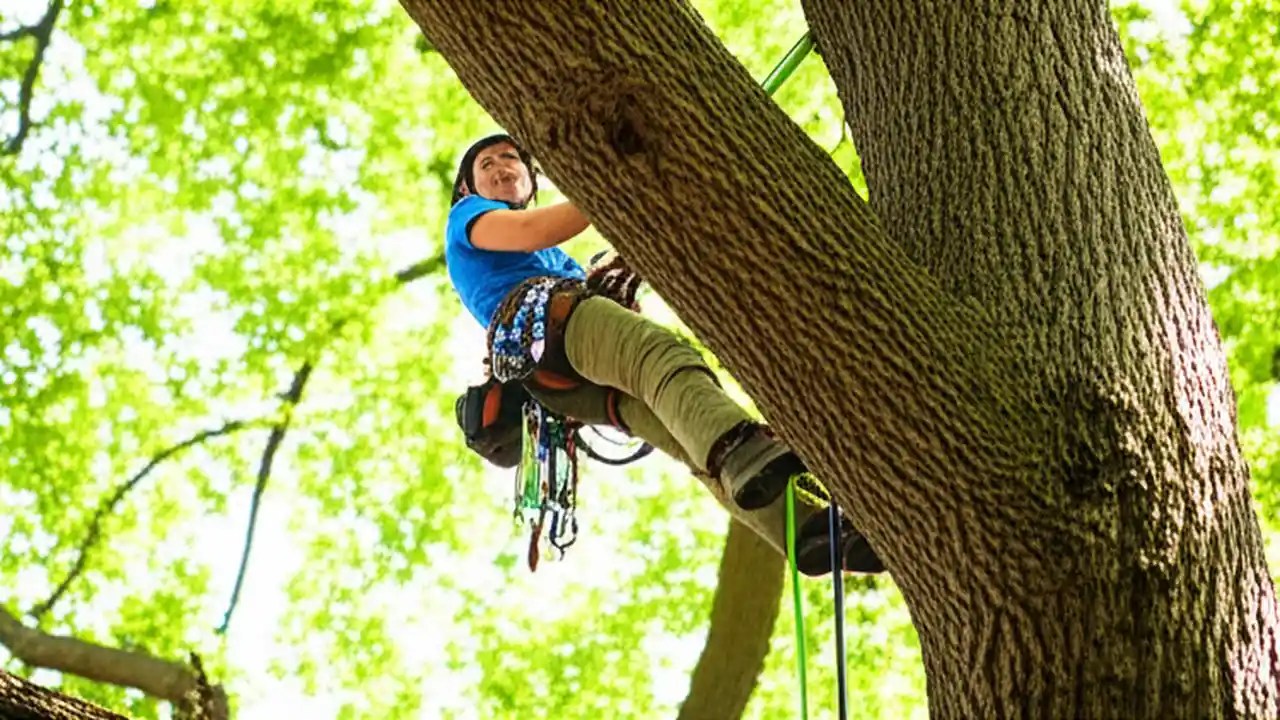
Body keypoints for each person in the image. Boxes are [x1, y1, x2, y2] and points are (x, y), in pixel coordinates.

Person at [444, 133, 882, 576]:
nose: (502, 166)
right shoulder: (470, 215)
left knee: (684, 436)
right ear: (467, 187)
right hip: (553, 326)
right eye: (487, 164)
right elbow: (534, 228)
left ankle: (805, 530)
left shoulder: (550, 257)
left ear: (530, 179)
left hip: (562, 377)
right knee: (661, 358)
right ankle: (743, 449)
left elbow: (558, 254)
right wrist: (604, 188)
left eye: (511, 159)